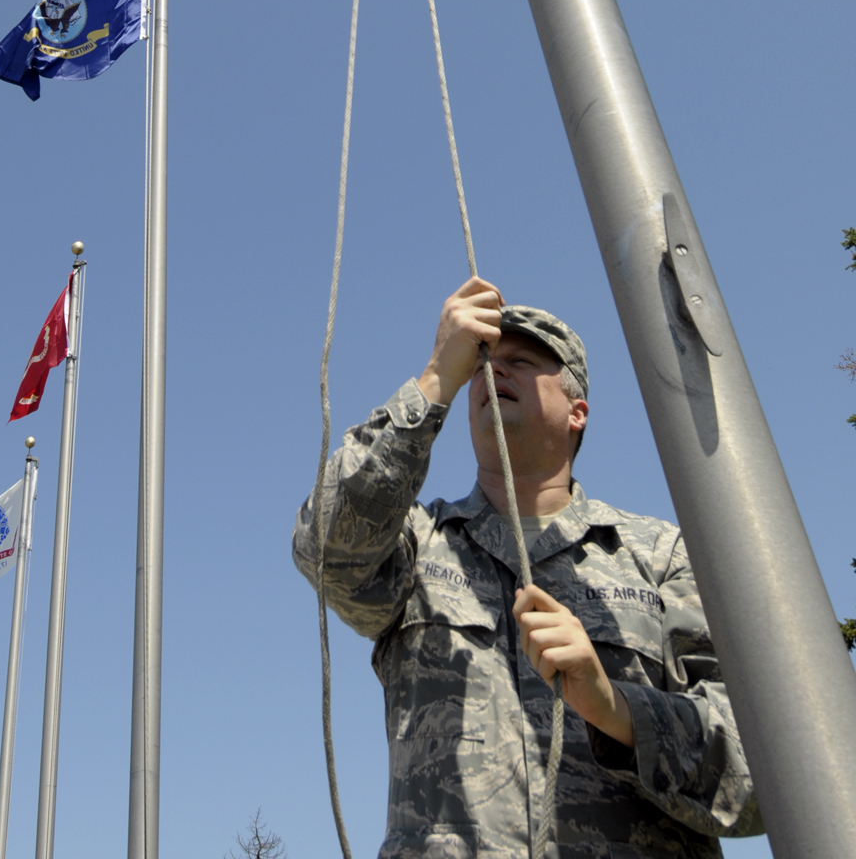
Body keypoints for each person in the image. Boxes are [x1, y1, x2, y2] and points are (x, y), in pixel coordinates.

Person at [292, 276, 763, 857]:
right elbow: (326, 549)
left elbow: (762, 773)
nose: (492, 371)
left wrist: (612, 707)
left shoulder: (660, 557)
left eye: (522, 360)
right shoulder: (420, 542)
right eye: (481, 362)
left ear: (577, 411)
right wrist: (437, 377)